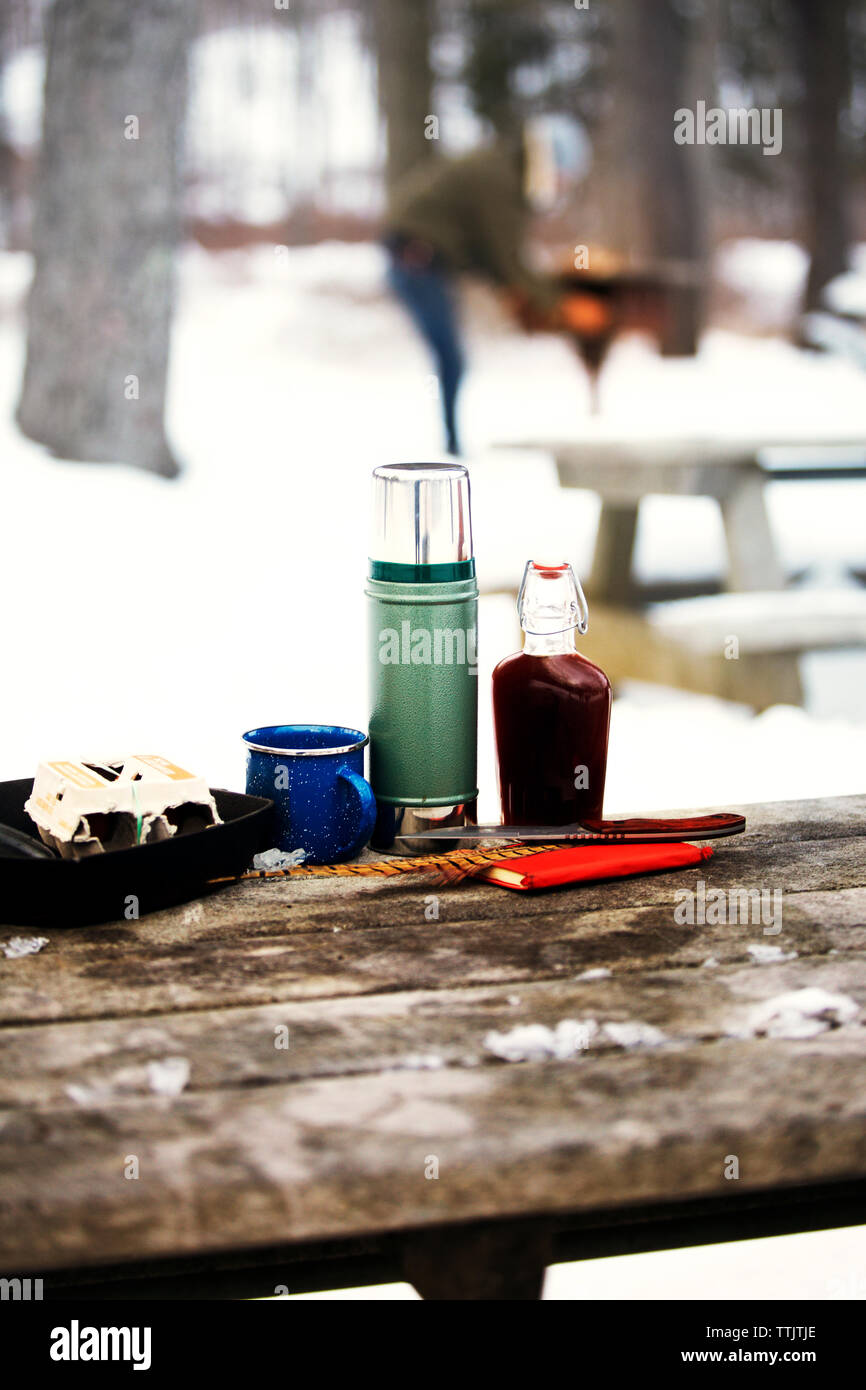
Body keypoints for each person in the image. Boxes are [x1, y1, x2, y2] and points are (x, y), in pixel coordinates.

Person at [383, 116, 589, 455]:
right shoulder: (500, 181)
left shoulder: (502, 169)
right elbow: (505, 259)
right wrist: (560, 305)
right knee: (451, 358)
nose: (561, 186)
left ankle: (452, 443)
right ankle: (452, 448)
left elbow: (491, 257)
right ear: (549, 162)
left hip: (423, 259)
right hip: (414, 259)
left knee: (451, 358)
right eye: (562, 178)